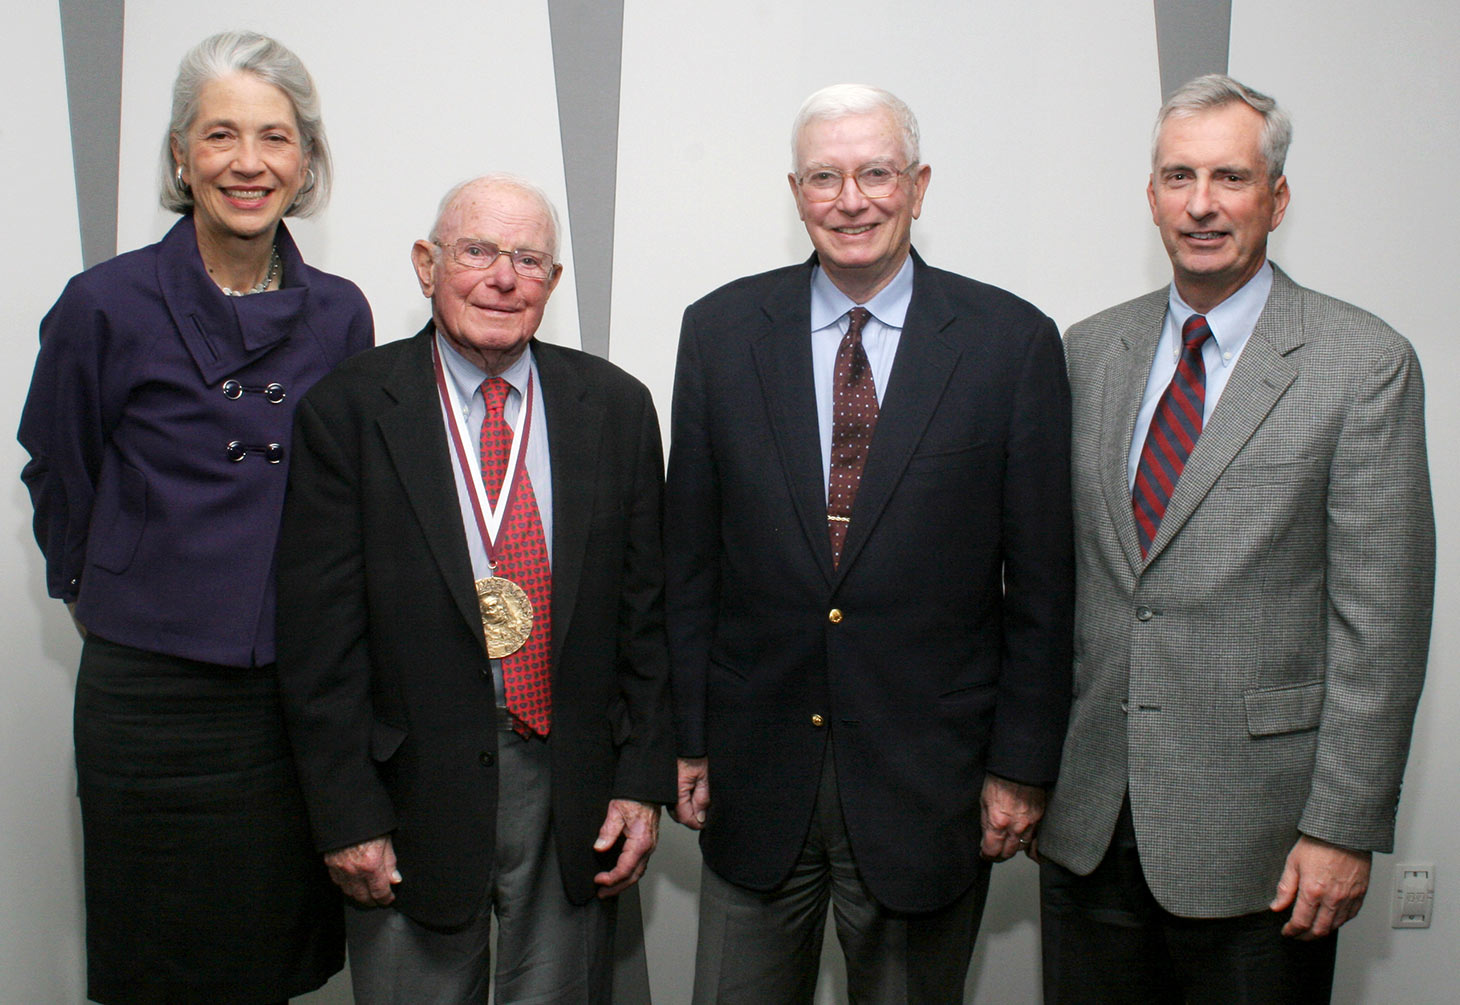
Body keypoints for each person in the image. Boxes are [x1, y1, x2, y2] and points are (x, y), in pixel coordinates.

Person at [664, 83, 1074, 1002]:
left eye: (877, 173)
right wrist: (684, 738)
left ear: (919, 185)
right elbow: (688, 563)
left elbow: (1044, 589)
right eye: (825, 177)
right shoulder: (720, 331)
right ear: (796, 191)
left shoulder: (1010, 343)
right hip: (754, 773)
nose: (851, 199)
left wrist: (1021, 765)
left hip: (931, 785)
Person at [1037, 74, 1435, 1003]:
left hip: (1266, 840)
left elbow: (1383, 624)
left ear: (1278, 197)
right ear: (1151, 196)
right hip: (1089, 820)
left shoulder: (1361, 363)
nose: (1202, 204)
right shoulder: (1088, 351)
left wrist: (1342, 827)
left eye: (1230, 177)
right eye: (1179, 177)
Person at [17, 30, 371, 1005]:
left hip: (285, 702)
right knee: (159, 969)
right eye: (220, 135)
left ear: (305, 161)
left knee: (269, 966)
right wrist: (109, 593)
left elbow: (347, 508)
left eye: (274, 137)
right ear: (180, 155)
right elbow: (59, 468)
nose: (247, 163)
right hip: (151, 702)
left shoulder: (340, 314)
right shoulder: (105, 304)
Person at [275, 174, 675, 1003]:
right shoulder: (347, 410)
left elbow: (647, 620)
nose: (504, 277)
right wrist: (347, 813)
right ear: (427, 264)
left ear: (553, 284)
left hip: (569, 785)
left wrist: (641, 781)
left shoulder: (617, 407)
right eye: (479, 251)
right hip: (408, 789)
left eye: (529, 259)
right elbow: (320, 641)